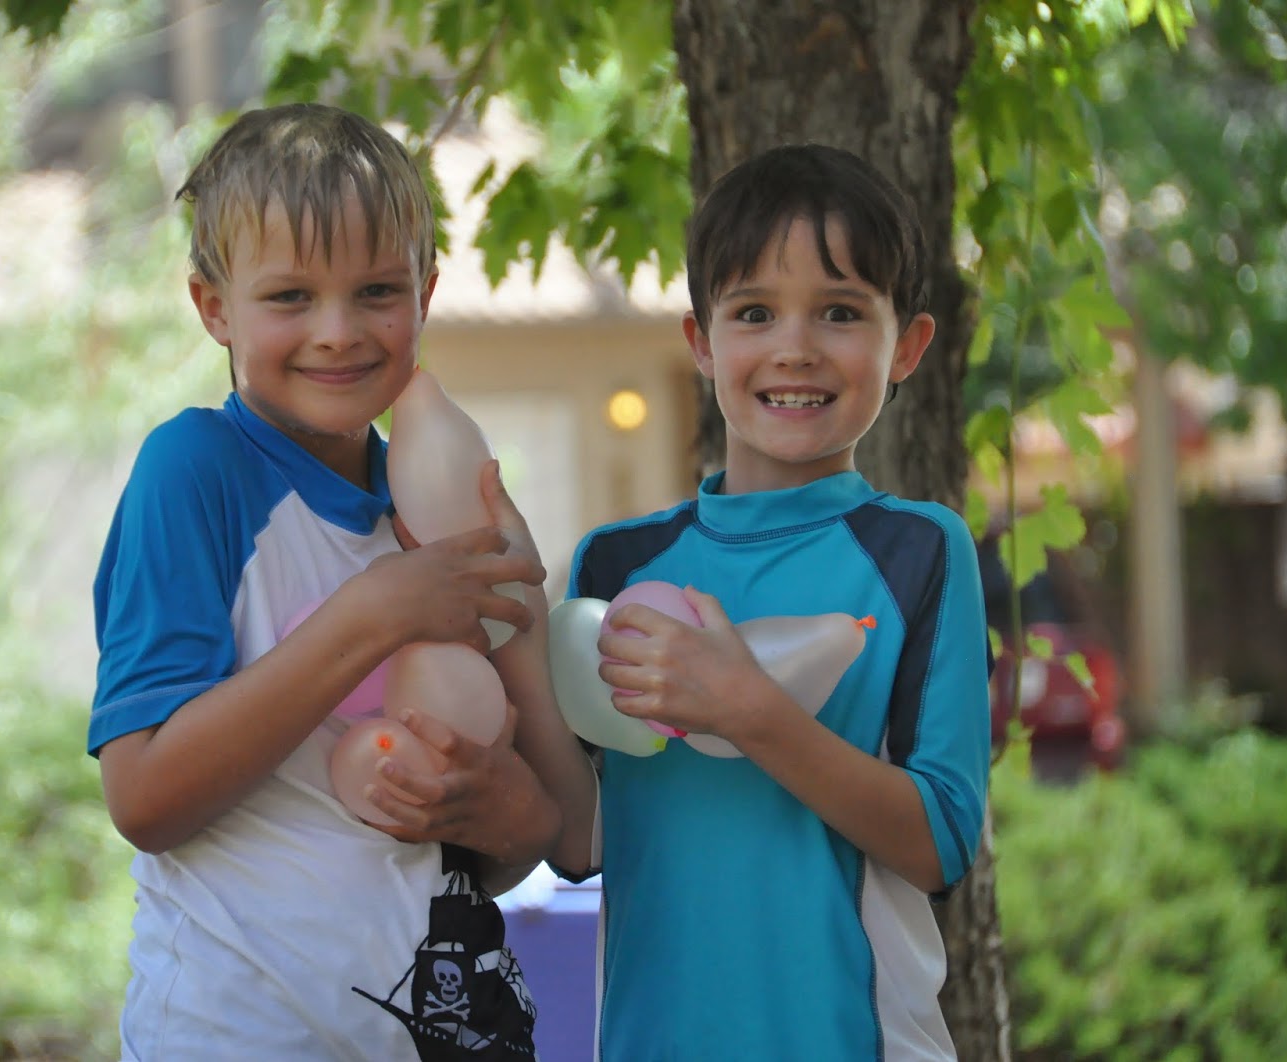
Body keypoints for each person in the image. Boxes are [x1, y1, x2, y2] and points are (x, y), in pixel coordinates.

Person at [89, 102, 593, 1061]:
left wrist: (499, 801)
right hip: (240, 1035)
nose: (337, 331)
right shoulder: (194, 471)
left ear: (426, 294)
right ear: (213, 308)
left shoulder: (438, 498)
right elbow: (146, 799)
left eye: (375, 291)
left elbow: (543, 844)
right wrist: (368, 618)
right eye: (289, 297)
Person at [559, 144, 992, 1059]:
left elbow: (940, 843)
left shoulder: (919, 551)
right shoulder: (613, 564)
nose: (795, 348)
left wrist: (749, 710)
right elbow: (573, 843)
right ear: (702, 345)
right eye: (754, 312)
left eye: (840, 312)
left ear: (907, 346)